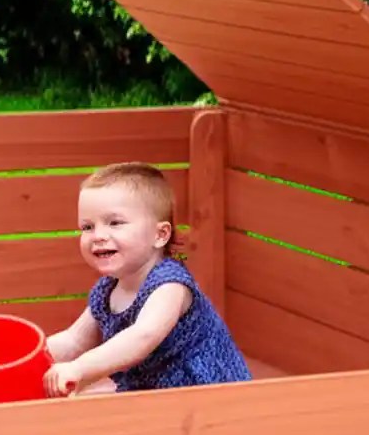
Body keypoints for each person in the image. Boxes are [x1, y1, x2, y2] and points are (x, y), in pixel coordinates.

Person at [43, 162, 252, 397]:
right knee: (72, 400)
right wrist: (32, 358)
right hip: (151, 392)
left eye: (115, 223)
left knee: (85, 398)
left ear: (160, 235)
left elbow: (143, 336)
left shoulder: (170, 285)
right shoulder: (108, 290)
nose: (98, 236)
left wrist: (79, 368)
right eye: (87, 226)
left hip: (206, 393)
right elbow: (74, 341)